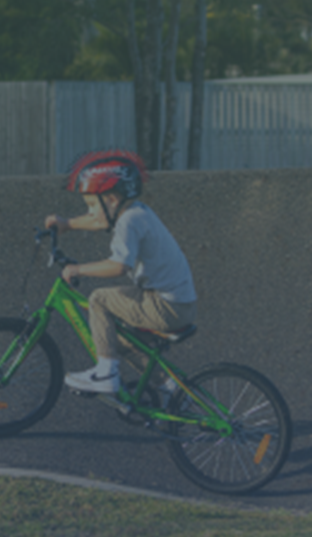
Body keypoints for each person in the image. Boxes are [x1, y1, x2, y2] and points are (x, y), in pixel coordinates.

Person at [43, 149, 197, 394]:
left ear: (113, 200)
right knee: (120, 340)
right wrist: (67, 224)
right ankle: (172, 389)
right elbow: (99, 220)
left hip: (166, 306)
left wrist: (79, 269)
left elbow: (119, 266)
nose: (90, 211)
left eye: (92, 204)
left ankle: (106, 373)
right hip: (179, 304)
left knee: (99, 299)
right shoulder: (137, 211)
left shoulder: (128, 221)